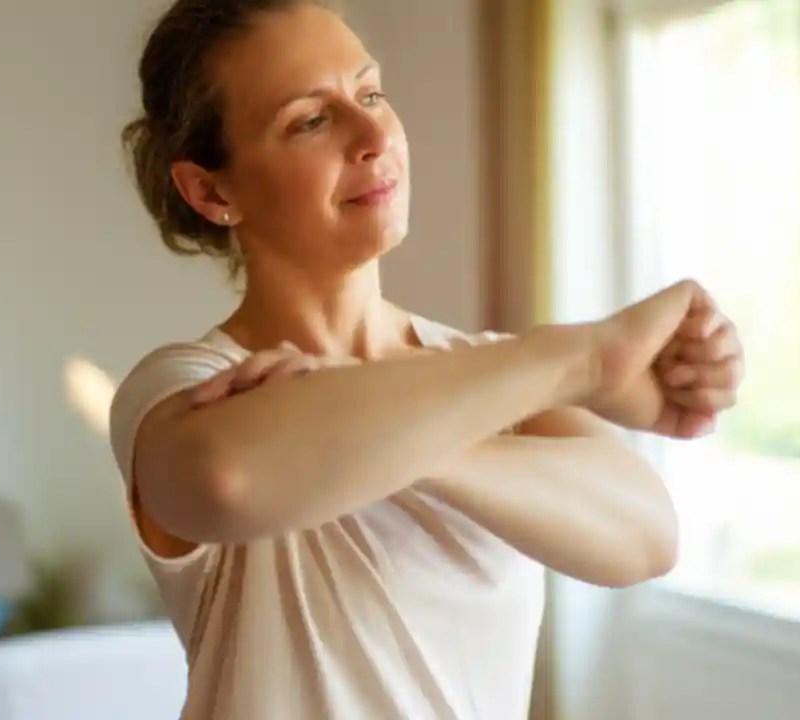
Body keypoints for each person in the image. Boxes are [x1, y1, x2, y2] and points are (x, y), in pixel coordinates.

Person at [108, 1, 745, 717]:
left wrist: (424, 441)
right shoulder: (188, 386)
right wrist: (586, 355)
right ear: (211, 189)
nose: (375, 135)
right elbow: (226, 481)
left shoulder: (489, 373)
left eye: (371, 94)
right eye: (310, 120)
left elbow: (648, 535)